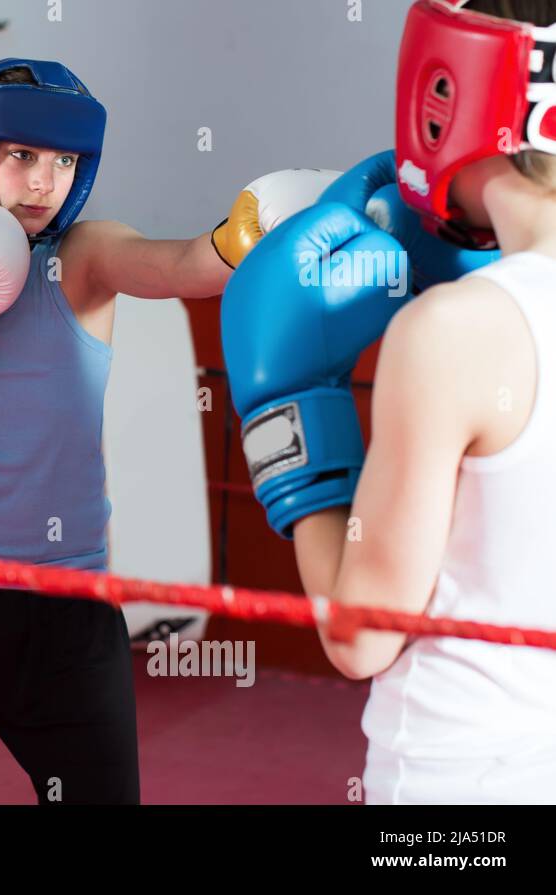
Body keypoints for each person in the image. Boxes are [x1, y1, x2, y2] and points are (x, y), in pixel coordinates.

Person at [0, 58, 324, 804]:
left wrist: (245, 232)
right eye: (23, 155)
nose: (43, 182)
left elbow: (183, 264)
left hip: (66, 603)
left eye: (64, 161)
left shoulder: (84, 258)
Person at [221, 0, 556, 803]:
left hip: (457, 797)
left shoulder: (454, 329)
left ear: (452, 86)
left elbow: (361, 633)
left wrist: (291, 404)